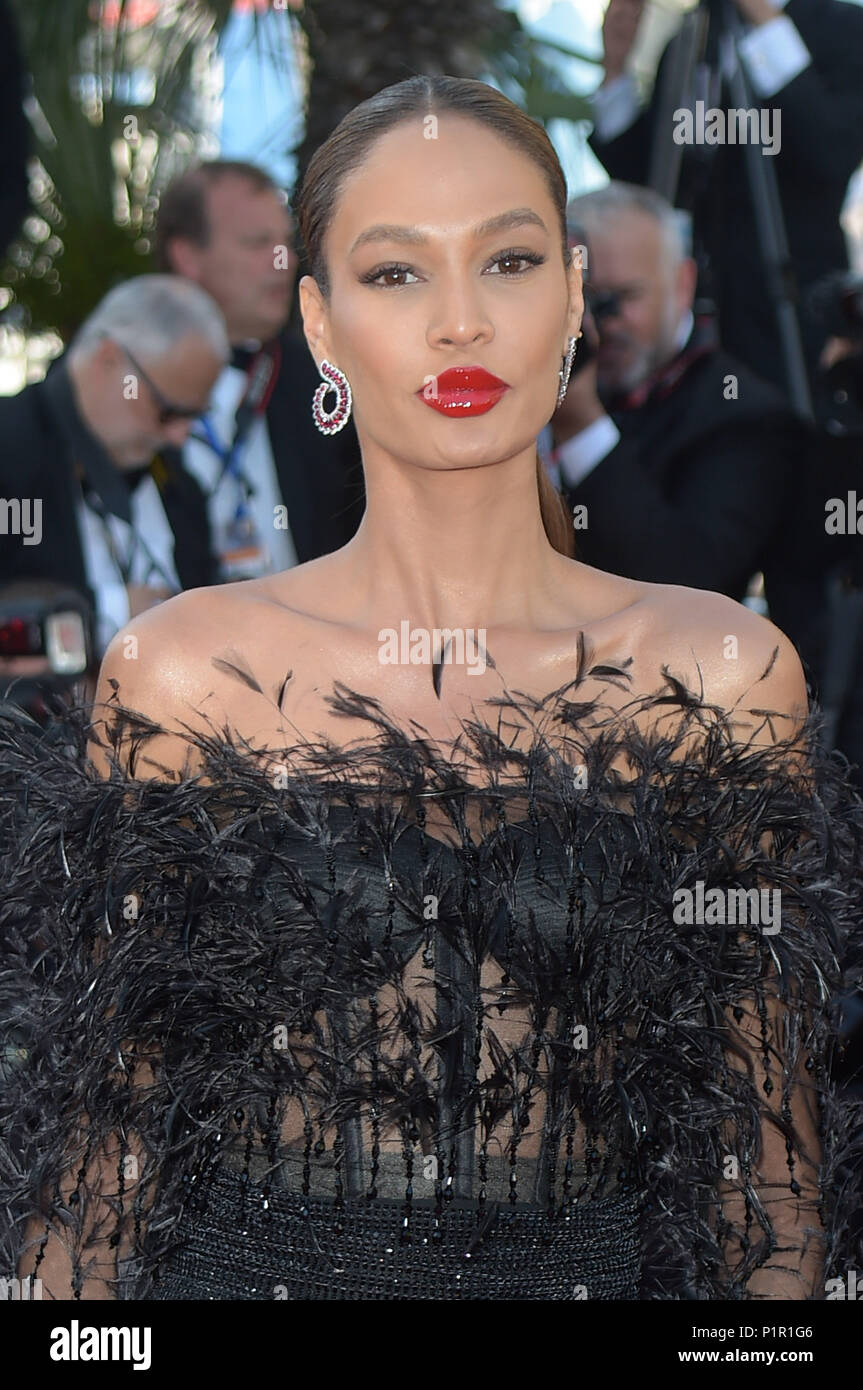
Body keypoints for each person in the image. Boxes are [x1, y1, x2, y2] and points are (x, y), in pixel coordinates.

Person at [2, 76, 862, 1303]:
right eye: (396, 273)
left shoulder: (718, 676)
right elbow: (104, 1151)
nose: (459, 321)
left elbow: (763, 1179)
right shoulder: (186, 674)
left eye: (505, 262)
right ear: (318, 323)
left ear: (570, 295)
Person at [591, 0, 863, 397]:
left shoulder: (840, 26)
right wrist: (615, 69)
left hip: (793, 315)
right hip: (699, 320)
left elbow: (829, 152)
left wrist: (765, 23)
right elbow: (652, 181)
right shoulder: (693, 36)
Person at [548, 182, 805, 601]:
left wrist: (580, 426)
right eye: (585, 297)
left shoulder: (743, 415)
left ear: (683, 283)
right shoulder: (535, 382)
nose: (601, 321)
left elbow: (692, 586)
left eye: (624, 296)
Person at [0, 275, 229, 663]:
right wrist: (111, 612)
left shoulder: (179, 485)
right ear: (108, 360)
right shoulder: (10, 451)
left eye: (195, 417)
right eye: (168, 411)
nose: (179, 437)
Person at [154, 160, 365, 581]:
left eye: (285, 243)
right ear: (188, 257)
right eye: (257, 243)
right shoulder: (124, 383)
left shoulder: (328, 375)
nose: (283, 261)